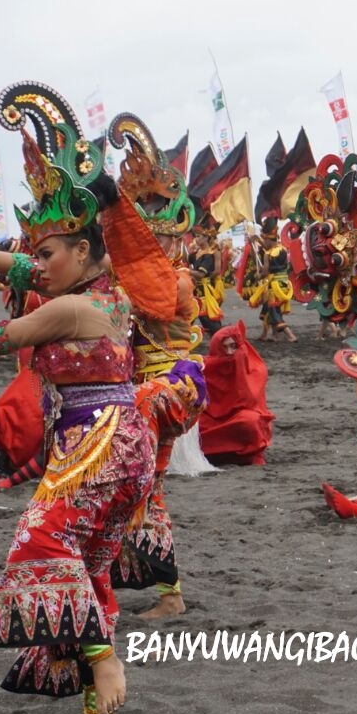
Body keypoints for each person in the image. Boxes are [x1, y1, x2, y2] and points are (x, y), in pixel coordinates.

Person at [0, 82, 155, 714]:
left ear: (82, 251)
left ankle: (104, 668)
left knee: (40, 543)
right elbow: (22, 269)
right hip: (122, 445)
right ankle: (97, 708)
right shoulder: (105, 295)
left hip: (98, 444)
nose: (37, 263)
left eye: (50, 251)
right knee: (87, 566)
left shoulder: (74, 306)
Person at [103, 112, 209, 619]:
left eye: (161, 242)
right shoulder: (130, 282)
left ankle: (171, 595)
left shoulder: (179, 281)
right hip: (139, 386)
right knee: (133, 482)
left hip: (172, 386)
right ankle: (138, 581)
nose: (157, 249)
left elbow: (154, 304)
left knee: (146, 482)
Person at [199, 320, 273, 465]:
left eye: (233, 346)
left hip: (240, 414)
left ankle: (250, 454)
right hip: (211, 417)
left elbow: (250, 400)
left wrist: (239, 367)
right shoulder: (206, 367)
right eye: (224, 347)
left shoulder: (255, 368)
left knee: (250, 422)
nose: (229, 352)